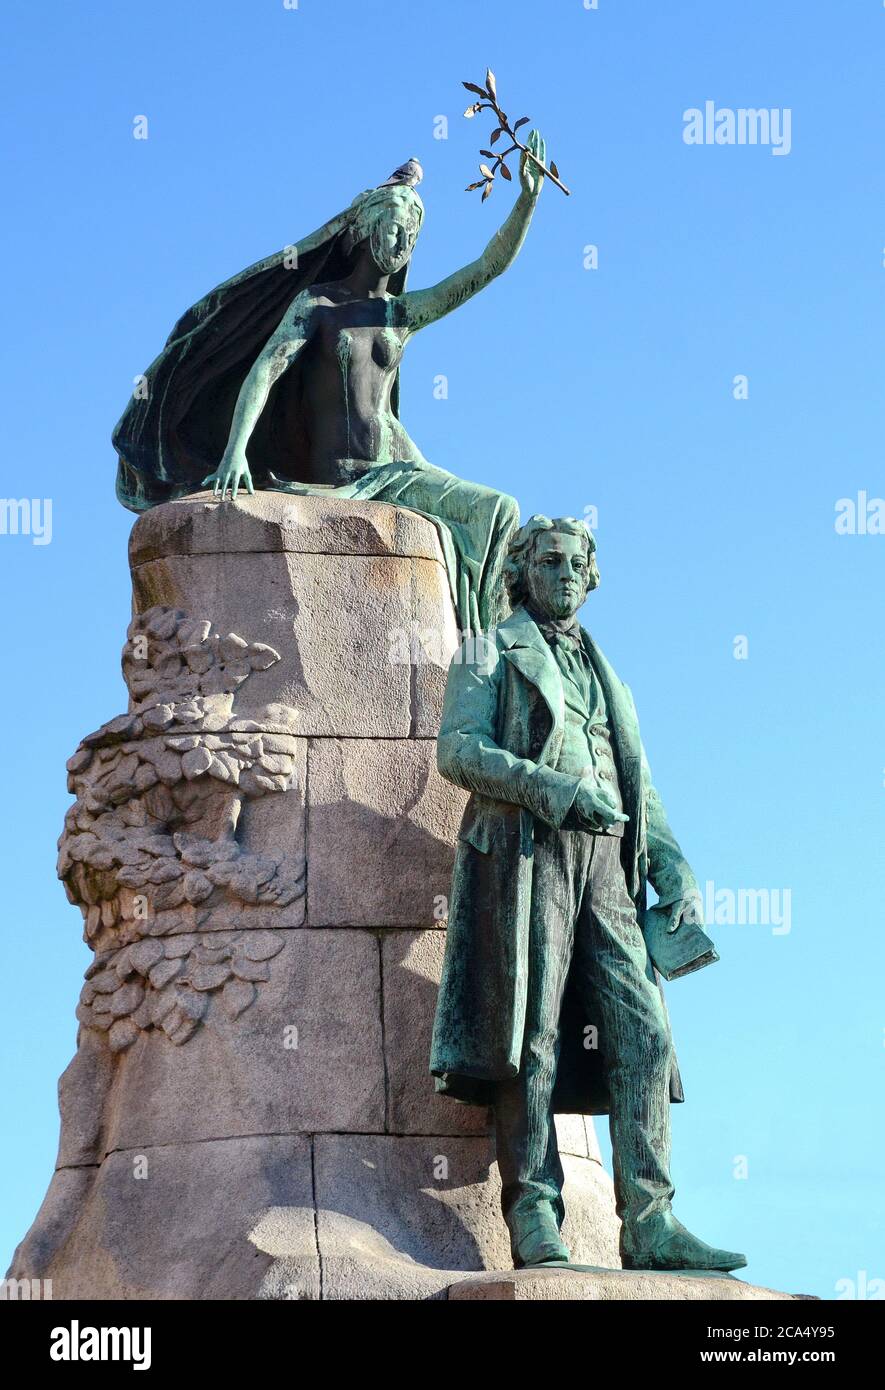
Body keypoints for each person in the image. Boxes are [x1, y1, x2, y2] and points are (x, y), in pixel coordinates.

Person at [430, 514, 747, 1272]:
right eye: (549, 561)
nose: (565, 573)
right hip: (527, 852)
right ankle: (535, 1214)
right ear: (523, 569)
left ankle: (650, 1221)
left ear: (591, 574)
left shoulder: (610, 672)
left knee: (642, 1035)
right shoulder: (488, 648)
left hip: (609, 864)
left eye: (576, 563)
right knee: (530, 1036)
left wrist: (672, 867)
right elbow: (458, 751)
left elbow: (638, 783)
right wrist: (553, 789)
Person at [113, 135, 552, 633]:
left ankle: (484, 653)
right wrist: (233, 453)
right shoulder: (317, 307)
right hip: (340, 473)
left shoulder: (402, 313)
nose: (401, 242)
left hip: (397, 466)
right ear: (365, 231)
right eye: (392, 228)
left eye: (410, 234)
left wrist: (526, 200)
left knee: (499, 511)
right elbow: (266, 370)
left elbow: (485, 269)